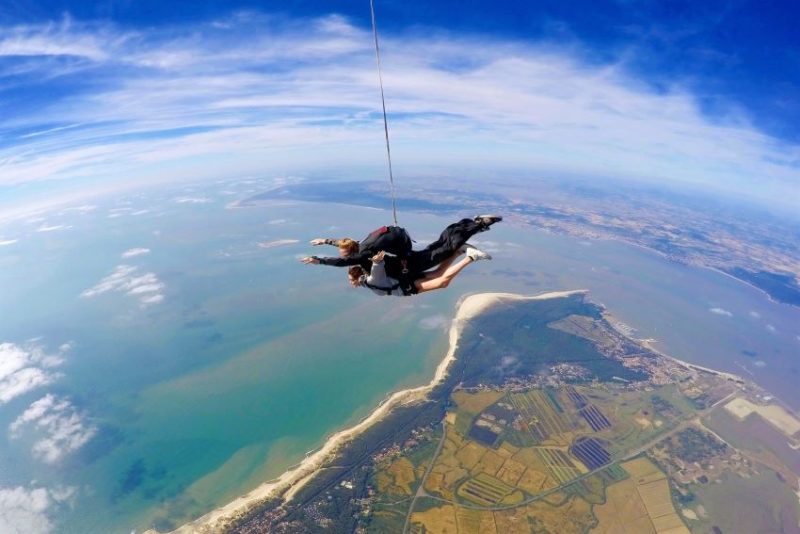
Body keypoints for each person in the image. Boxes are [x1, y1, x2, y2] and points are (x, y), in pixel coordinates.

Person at [301, 215, 501, 274]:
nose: (344, 255)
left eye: (345, 253)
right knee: (438, 245)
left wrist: (318, 261)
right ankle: (472, 224)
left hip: (406, 254)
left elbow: (340, 262)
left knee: (444, 250)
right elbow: (342, 245)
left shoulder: (362, 253)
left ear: (351, 252)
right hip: (402, 242)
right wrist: (325, 240)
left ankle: (477, 225)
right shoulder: (359, 242)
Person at [349, 245, 492, 296]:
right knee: (438, 273)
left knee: (442, 282)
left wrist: (376, 262)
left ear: (358, 277)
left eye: (351, 279)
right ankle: (459, 250)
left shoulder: (371, 280)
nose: (351, 283)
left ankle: (471, 257)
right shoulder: (368, 281)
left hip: (406, 287)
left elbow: (377, 270)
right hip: (405, 279)